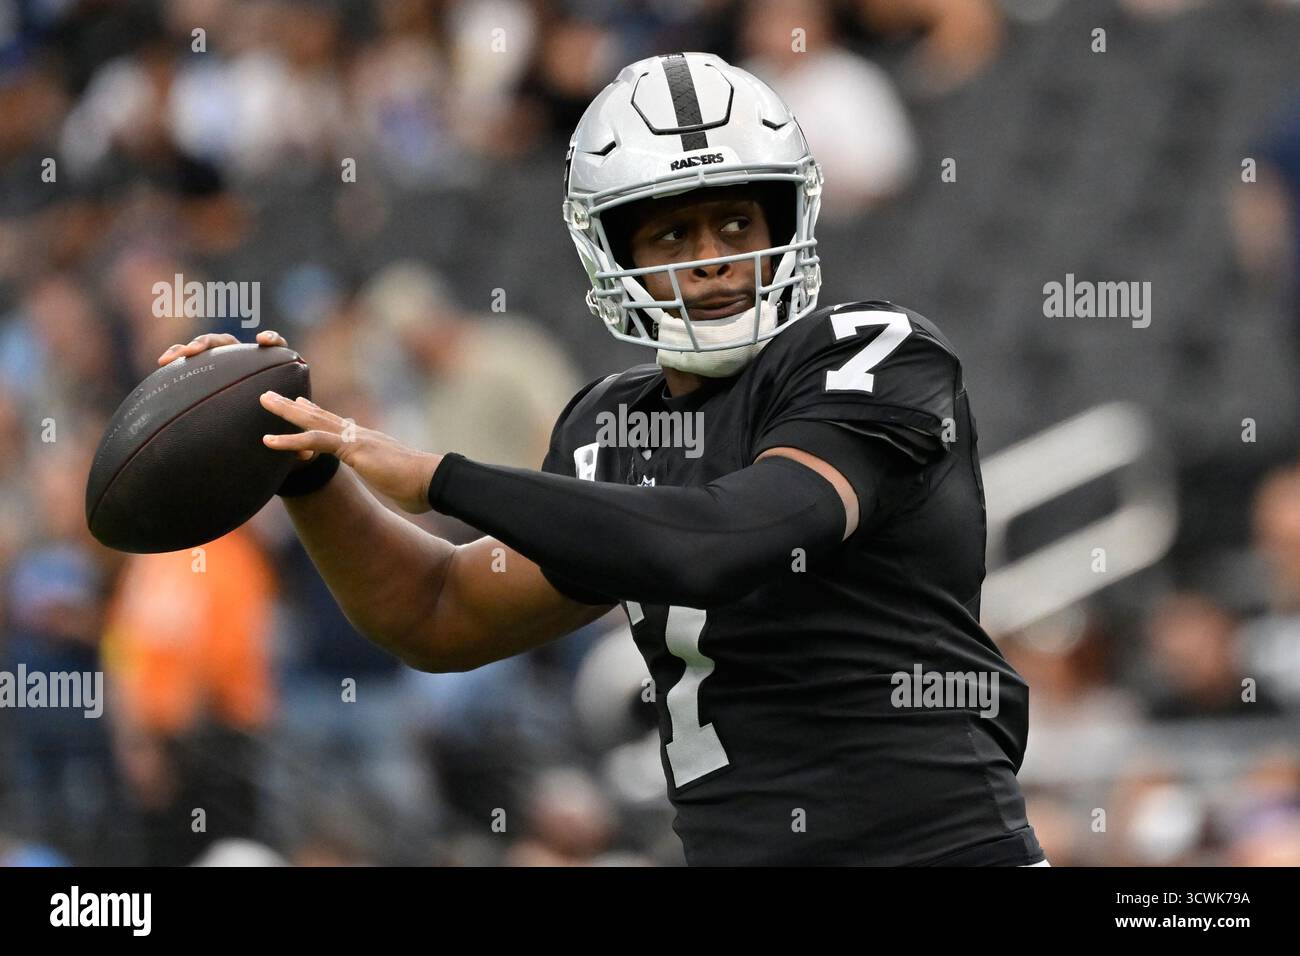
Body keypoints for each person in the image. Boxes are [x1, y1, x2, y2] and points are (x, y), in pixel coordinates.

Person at [159, 52, 1044, 866]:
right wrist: (310, 465)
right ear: (611, 253)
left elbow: (731, 537)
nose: (712, 261)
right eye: (670, 237)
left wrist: (440, 476)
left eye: (736, 220)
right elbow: (436, 609)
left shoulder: (873, 353)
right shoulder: (611, 428)